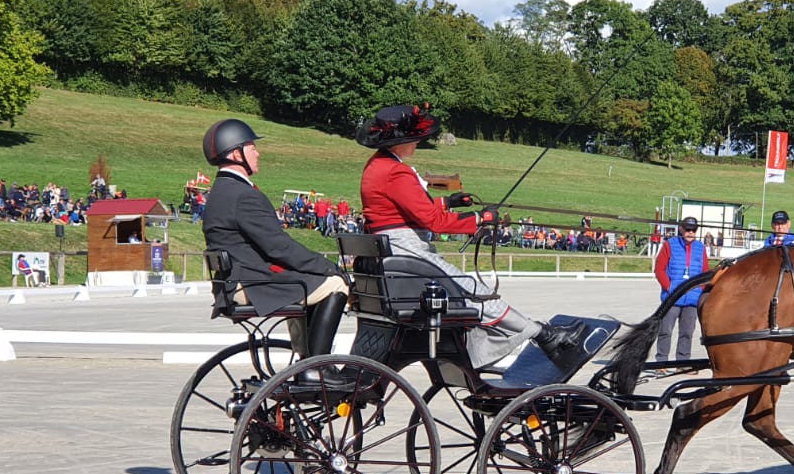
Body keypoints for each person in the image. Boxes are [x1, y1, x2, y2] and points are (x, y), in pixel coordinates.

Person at [356, 103, 586, 372]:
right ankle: (544, 337)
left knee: (470, 289)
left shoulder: (377, 167)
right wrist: (479, 220)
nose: (418, 142)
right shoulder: (397, 172)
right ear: (401, 142)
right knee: (474, 291)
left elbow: (403, 210)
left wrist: (449, 202)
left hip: (392, 246)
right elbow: (433, 222)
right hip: (406, 249)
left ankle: (538, 333)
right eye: (414, 139)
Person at [200, 118, 348, 366]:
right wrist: (328, 266)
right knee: (335, 284)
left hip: (235, 282)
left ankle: (307, 359)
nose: (258, 153)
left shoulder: (220, 190)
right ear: (237, 154)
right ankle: (316, 366)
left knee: (305, 281)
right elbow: (279, 247)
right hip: (252, 284)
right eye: (252, 147)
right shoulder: (243, 195)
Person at [653, 217, 708, 364]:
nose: (690, 232)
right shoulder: (669, 245)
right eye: (687, 229)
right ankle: (661, 361)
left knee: (687, 332)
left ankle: (682, 362)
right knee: (666, 331)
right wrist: (669, 287)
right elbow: (659, 269)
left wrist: (700, 290)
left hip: (692, 298)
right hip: (672, 297)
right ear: (681, 229)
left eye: (693, 230)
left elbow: (705, 272)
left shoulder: (700, 247)